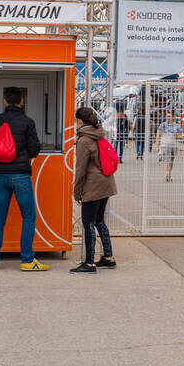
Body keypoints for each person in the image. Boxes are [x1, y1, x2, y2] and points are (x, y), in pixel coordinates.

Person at [0, 87, 46, 272]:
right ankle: (27, 260)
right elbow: (34, 150)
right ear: (21, 101)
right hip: (20, 176)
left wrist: (1, 159)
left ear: (5, 101)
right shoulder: (27, 122)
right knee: (28, 216)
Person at [70, 106, 119, 274]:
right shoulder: (99, 134)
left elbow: (80, 170)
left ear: (79, 121)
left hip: (93, 185)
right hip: (106, 183)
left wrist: (77, 192)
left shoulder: (84, 140)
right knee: (99, 221)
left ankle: (89, 263)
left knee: (88, 222)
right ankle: (108, 257)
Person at [156, 111, 181, 182]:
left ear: (173, 117)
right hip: (164, 145)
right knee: (167, 160)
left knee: (171, 161)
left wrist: (176, 136)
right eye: (167, 116)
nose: (168, 118)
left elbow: (180, 135)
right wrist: (157, 145)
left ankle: (169, 173)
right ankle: (167, 174)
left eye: (169, 116)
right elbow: (158, 135)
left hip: (173, 145)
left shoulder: (177, 125)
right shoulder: (162, 125)